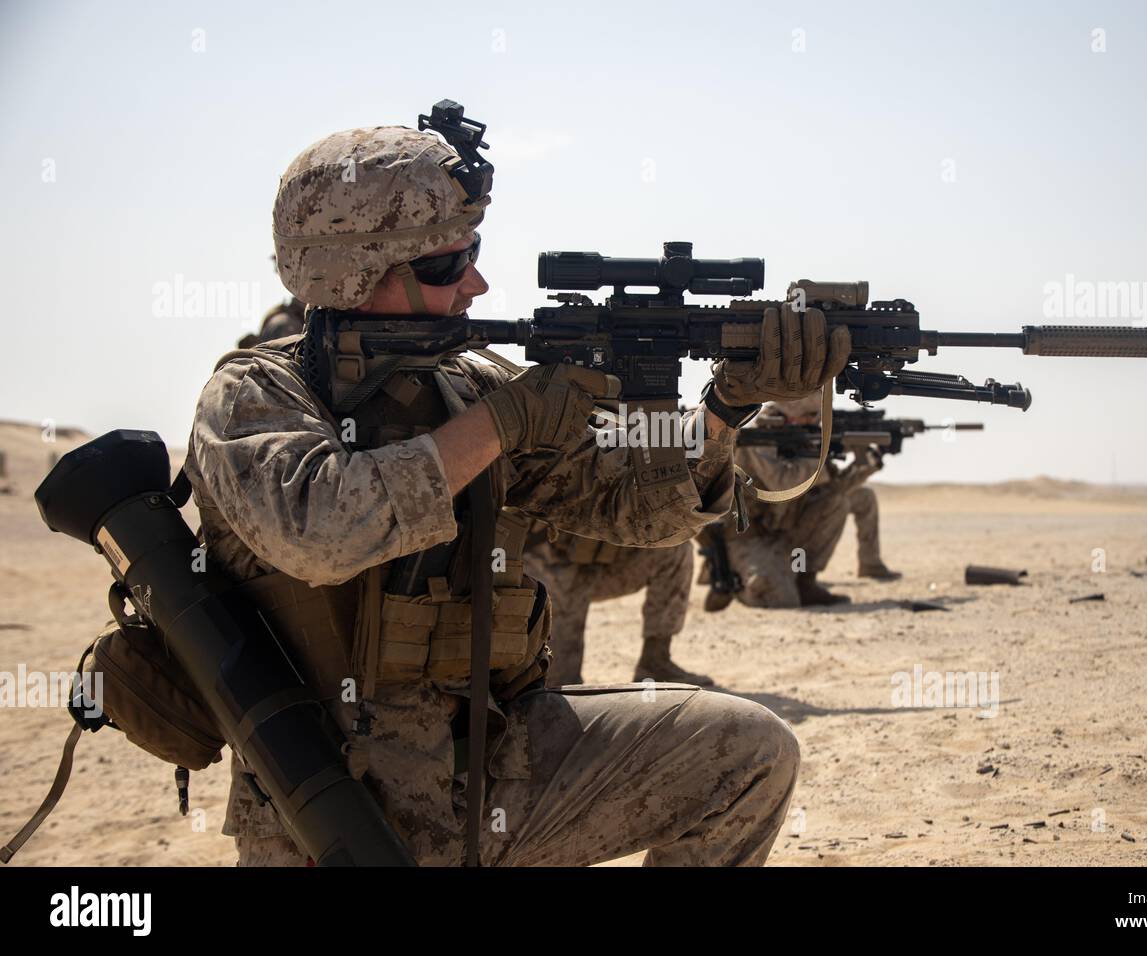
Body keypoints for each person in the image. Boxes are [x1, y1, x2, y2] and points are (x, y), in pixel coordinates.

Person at [184, 118, 849, 866]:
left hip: (499, 767)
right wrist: (504, 421)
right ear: (354, 275)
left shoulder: (467, 385)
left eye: (473, 255)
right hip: (334, 803)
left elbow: (630, 505)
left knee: (749, 754)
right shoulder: (253, 395)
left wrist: (723, 413)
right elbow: (322, 529)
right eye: (444, 267)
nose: (476, 283)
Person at [702, 393, 898, 612]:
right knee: (779, 599)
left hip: (784, 534)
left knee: (836, 502)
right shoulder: (758, 436)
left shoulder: (805, 439)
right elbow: (782, 484)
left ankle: (805, 580)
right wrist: (820, 457)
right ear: (791, 413)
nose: (814, 420)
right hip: (749, 537)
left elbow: (833, 489)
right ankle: (729, 580)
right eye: (810, 414)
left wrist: (869, 463)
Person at [524, 529, 708, 686]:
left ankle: (655, 661)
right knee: (561, 684)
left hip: (603, 559)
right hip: (550, 563)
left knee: (674, 548)